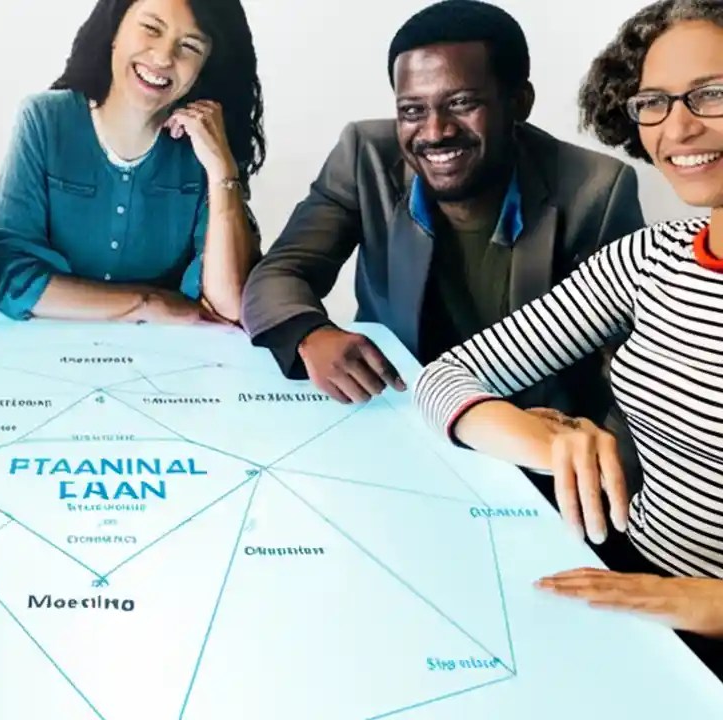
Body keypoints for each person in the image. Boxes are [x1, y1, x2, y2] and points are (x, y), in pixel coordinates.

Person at [414, 0, 722, 675]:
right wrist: (546, 442)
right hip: (626, 583)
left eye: (713, 93)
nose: (679, 127)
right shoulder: (648, 259)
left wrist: (705, 602)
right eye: (654, 102)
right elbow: (442, 379)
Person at [240, 2, 645, 450]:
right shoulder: (365, 156)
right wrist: (309, 333)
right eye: (412, 110)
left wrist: (607, 462)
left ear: (519, 102)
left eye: (462, 103)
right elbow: (279, 273)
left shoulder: (595, 189)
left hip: (530, 437)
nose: (435, 131)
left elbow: (637, 360)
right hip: (398, 418)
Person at [0, 0, 265, 325]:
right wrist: (145, 303)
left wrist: (222, 171)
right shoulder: (45, 120)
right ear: (114, 30)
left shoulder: (205, 146)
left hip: (164, 350)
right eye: (151, 28)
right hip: (47, 343)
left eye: (190, 46)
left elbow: (227, 305)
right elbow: (11, 278)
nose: (163, 58)